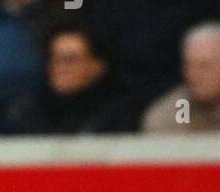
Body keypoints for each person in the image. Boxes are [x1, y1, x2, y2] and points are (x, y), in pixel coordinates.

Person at [8, 22, 140, 135]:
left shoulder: (121, 113)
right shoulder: (29, 112)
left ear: (97, 66)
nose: (59, 67)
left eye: (69, 60)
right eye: (54, 59)